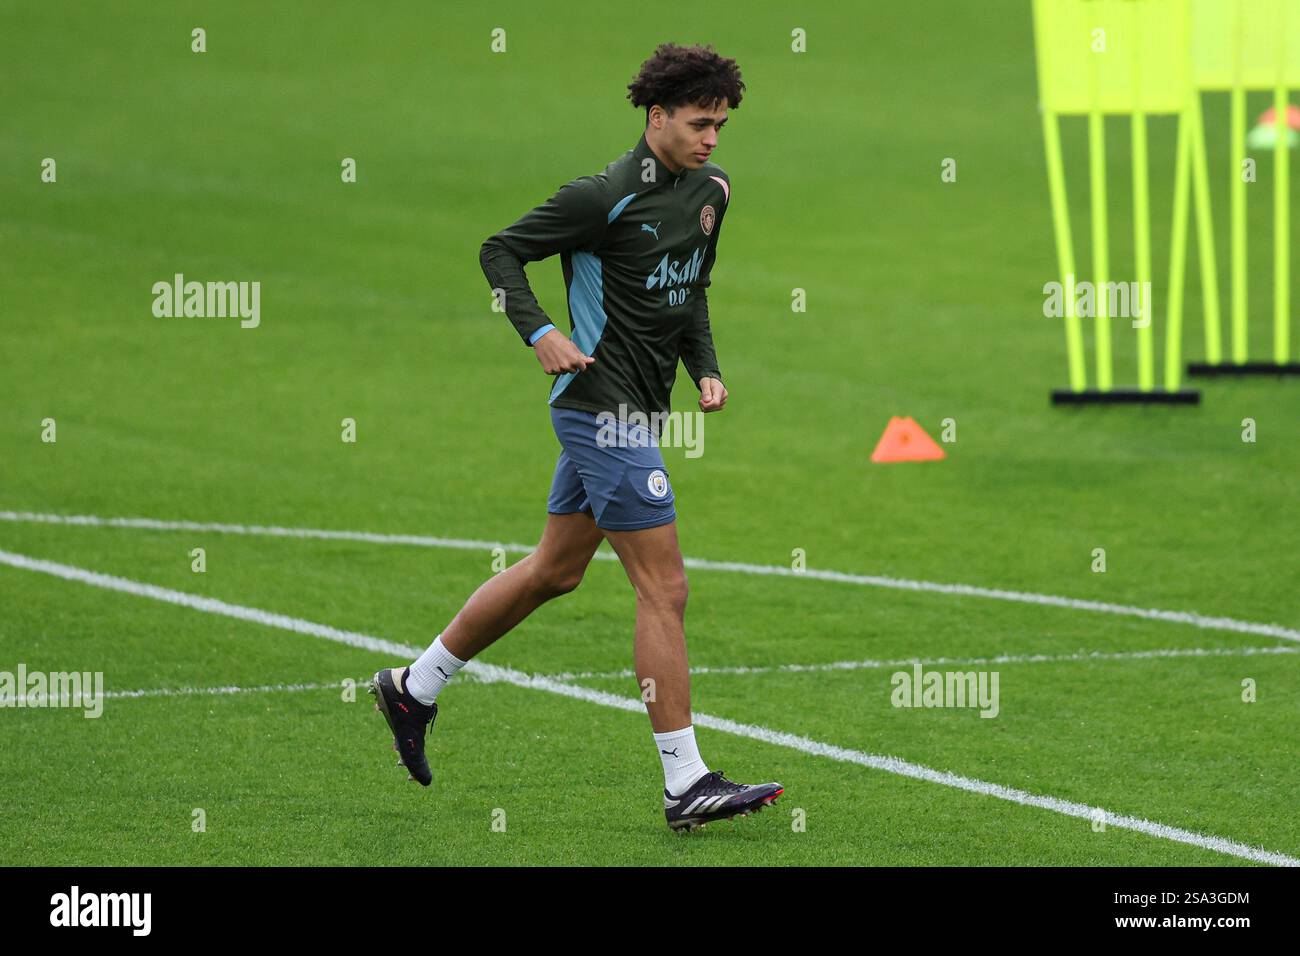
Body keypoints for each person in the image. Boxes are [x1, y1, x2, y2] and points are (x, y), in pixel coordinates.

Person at [370, 42, 782, 832]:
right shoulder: (601, 197)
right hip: (600, 407)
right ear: (656, 117)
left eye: (722, 125)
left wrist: (706, 368)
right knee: (664, 589)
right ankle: (684, 781)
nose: (713, 139)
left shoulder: (713, 191)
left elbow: (690, 288)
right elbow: (500, 251)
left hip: (642, 406)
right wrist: (540, 334)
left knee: (554, 571)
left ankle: (412, 687)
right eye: (699, 123)